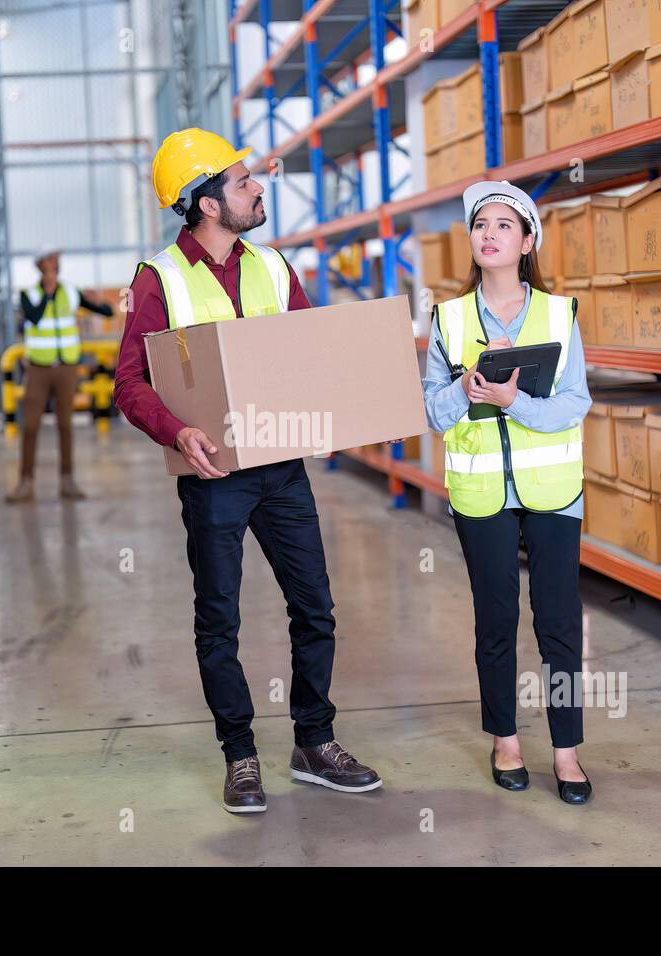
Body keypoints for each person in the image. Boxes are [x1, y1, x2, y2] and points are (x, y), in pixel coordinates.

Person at [114, 128, 381, 814]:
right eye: (242, 182)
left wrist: (325, 417)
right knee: (219, 618)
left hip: (282, 467)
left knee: (315, 606)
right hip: (214, 478)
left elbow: (307, 355)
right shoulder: (160, 279)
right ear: (205, 204)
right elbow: (131, 383)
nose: (258, 187)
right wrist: (178, 431)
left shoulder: (272, 267)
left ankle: (314, 741)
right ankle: (240, 755)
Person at [422, 181, 594, 805]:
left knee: (558, 624)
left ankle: (567, 751)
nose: (488, 234)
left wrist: (515, 400)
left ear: (526, 242)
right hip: (482, 493)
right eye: (479, 226)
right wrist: (466, 391)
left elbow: (576, 403)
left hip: (553, 490)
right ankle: (506, 740)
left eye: (503, 225)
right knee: (495, 622)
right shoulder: (448, 318)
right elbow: (433, 413)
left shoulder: (557, 313)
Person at [5, 246, 114, 503]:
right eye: (51, 260)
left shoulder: (71, 292)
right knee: (30, 425)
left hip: (67, 368)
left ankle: (67, 481)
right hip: (38, 368)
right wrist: (48, 293)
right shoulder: (27, 295)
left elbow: (106, 312)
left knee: (65, 424)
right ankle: (26, 482)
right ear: (40, 266)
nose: (56, 264)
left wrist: (103, 302)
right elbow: (34, 316)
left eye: (57, 260)